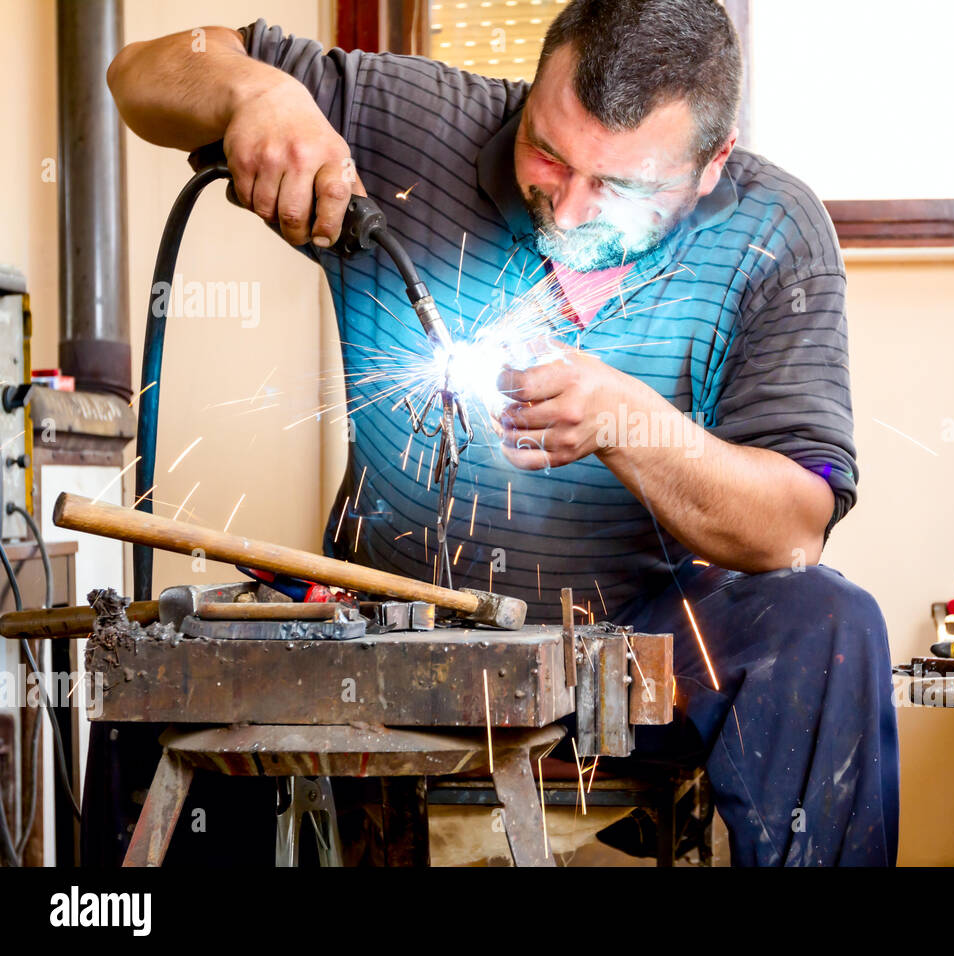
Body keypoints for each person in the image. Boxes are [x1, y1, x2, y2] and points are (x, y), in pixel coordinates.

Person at [104, 0, 897, 866]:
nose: (568, 205)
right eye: (548, 154)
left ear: (713, 165)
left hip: (631, 649)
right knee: (179, 675)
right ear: (535, 85)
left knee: (830, 626)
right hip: (386, 625)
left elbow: (792, 528)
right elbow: (140, 72)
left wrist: (629, 426)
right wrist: (253, 94)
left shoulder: (772, 232)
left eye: (621, 188)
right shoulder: (413, 121)